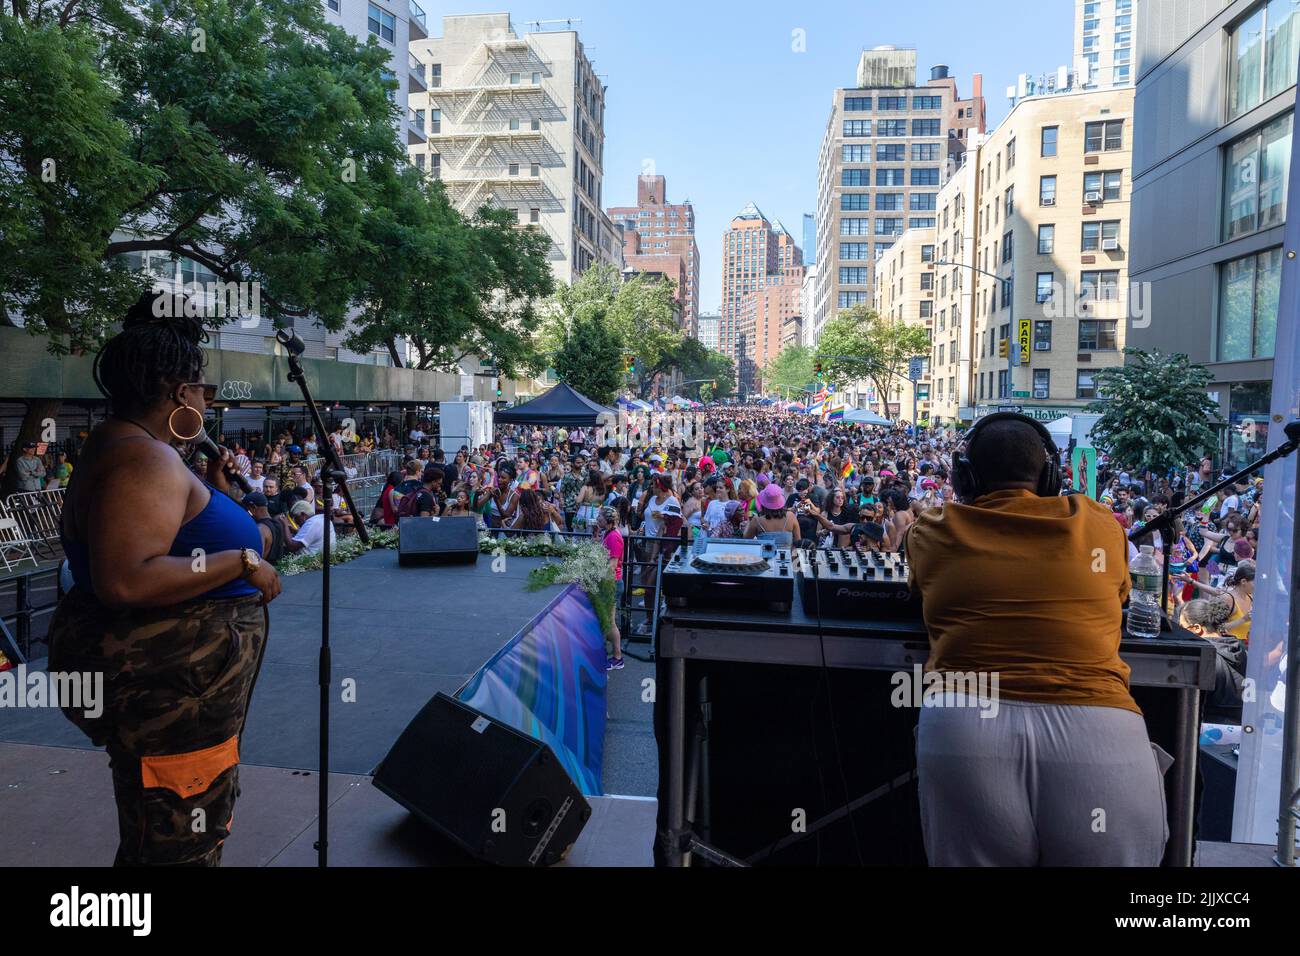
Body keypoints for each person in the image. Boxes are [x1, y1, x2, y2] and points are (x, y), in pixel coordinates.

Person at [47, 292, 281, 866]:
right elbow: (127, 579)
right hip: (174, 690)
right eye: (205, 389)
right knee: (176, 843)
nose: (209, 399)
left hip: (181, 689)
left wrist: (216, 499)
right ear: (180, 393)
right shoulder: (144, 460)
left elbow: (168, 540)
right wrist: (243, 563)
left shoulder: (139, 449)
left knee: (169, 828)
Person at [906, 413, 1168, 866]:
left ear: (963, 478)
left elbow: (920, 589)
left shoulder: (932, 529)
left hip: (965, 726)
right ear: (1051, 476)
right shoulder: (1101, 525)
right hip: (1099, 731)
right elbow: (1120, 591)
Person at [596, 505, 625, 672]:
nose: (597, 519)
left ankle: (617, 658)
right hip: (609, 583)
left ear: (608, 521)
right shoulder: (608, 533)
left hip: (611, 583)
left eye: (600, 517)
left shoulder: (613, 537)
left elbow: (612, 565)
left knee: (610, 622)